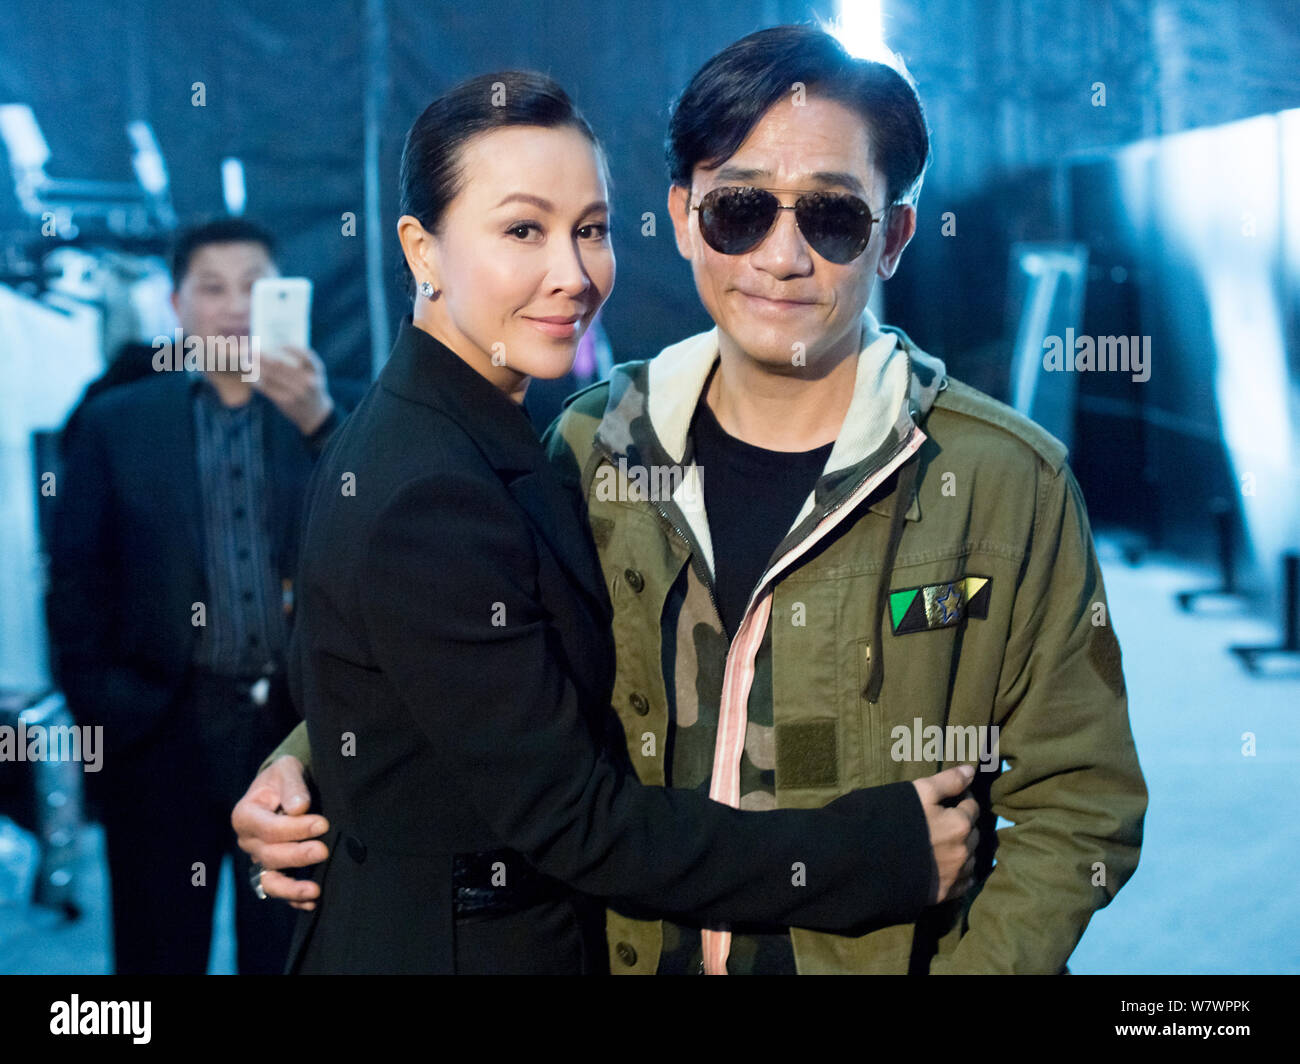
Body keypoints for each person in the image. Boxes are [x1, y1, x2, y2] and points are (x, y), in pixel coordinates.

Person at [242, 26, 1146, 975]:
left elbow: (1080, 807)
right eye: (740, 210)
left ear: (894, 237)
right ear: (682, 218)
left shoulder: (1007, 485)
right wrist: (312, 761)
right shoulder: (595, 444)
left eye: (833, 216)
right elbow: (476, 661)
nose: (782, 256)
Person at [45, 217, 354, 973]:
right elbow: (76, 579)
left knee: (289, 949)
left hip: (295, 733)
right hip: (160, 727)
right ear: (178, 306)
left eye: (256, 287)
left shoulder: (332, 414)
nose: (235, 306)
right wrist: (104, 708)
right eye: (211, 289)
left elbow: (381, 540)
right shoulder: (118, 423)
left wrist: (320, 424)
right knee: (156, 947)